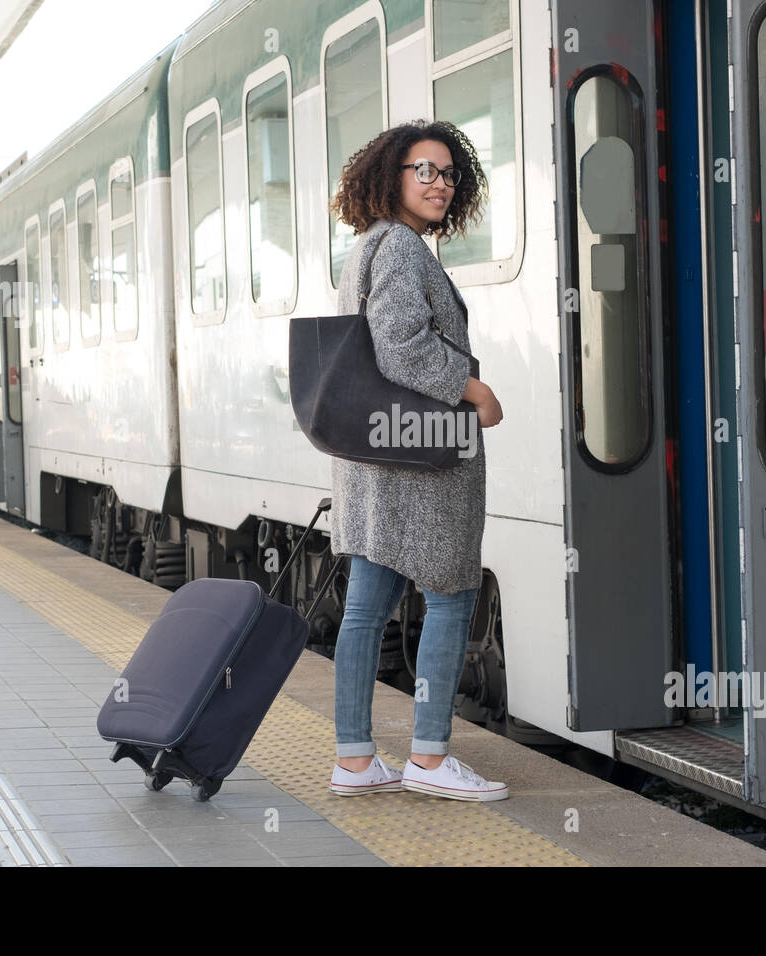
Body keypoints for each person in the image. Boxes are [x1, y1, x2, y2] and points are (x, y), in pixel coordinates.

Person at [324, 120, 509, 801]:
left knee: (366, 608)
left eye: (448, 173)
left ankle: (355, 759)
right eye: (423, 171)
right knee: (452, 596)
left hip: (378, 459)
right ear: (391, 177)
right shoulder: (400, 248)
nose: (439, 183)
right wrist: (472, 389)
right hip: (419, 467)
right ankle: (429, 760)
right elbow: (400, 345)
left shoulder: (369, 245)